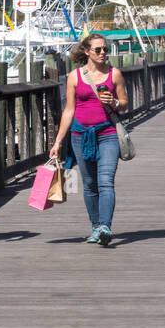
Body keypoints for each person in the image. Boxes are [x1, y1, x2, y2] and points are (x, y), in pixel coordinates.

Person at [48, 33, 129, 247]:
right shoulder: (74, 77)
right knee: (90, 184)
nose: (103, 53)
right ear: (87, 51)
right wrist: (58, 142)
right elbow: (69, 111)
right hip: (80, 136)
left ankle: (105, 227)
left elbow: (124, 103)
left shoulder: (114, 74)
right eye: (98, 50)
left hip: (108, 133)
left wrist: (115, 103)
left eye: (105, 49)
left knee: (106, 181)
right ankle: (95, 226)